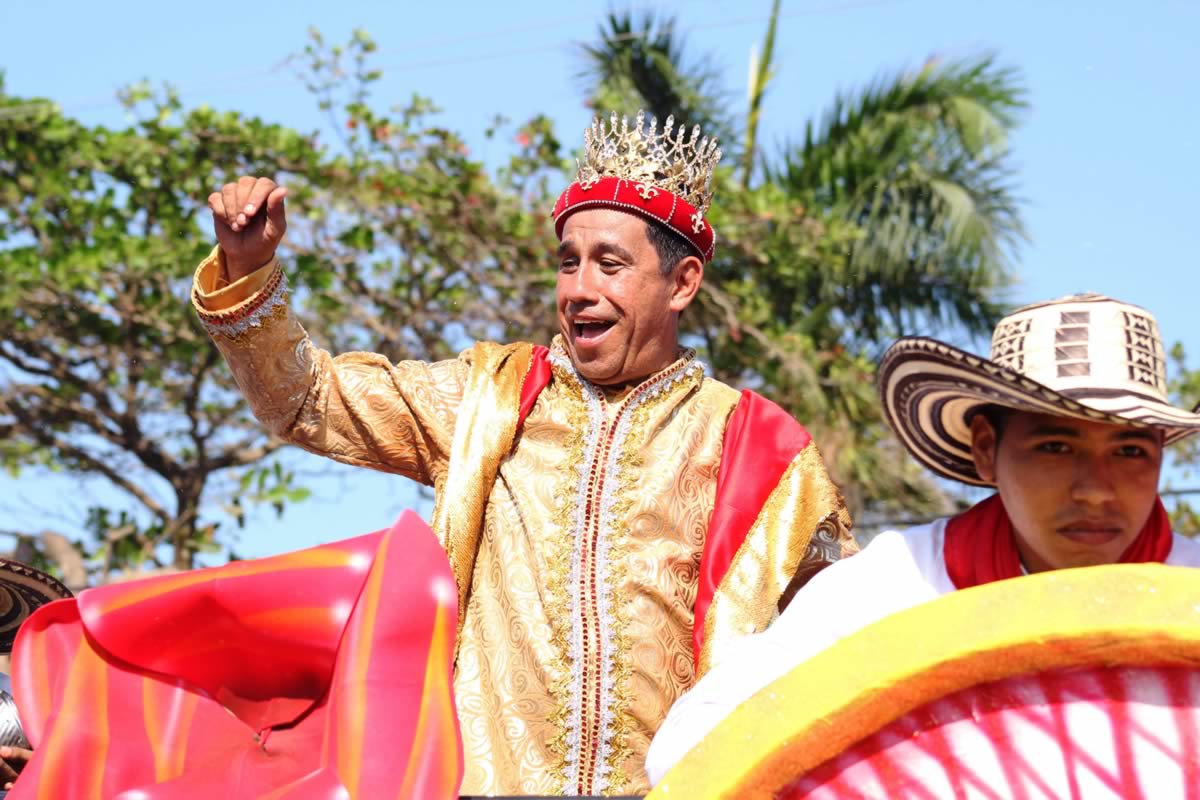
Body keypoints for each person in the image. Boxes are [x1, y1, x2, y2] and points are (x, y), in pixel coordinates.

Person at [192, 111, 855, 795]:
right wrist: (249, 268)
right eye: (569, 263)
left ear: (682, 283)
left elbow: (843, 642)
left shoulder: (762, 450)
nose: (579, 289)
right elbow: (307, 399)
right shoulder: (489, 399)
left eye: (610, 264)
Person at [645, 292, 1200, 784]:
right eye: (1056, 447)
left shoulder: (1190, 595)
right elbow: (691, 748)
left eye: (1129, 451)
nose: (1097, 491)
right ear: (986, 447)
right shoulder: (893, 589)